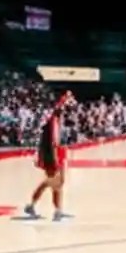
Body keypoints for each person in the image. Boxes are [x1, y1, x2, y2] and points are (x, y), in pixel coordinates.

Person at [24, 92, 75, 221]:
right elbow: (53, 142)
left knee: (59, 182)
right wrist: (55, 159)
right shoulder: (53, 121)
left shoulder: (58, 120)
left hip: (59, 151)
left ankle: (58, 209)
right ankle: (40, 207)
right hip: (52, 154)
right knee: (54, 182)